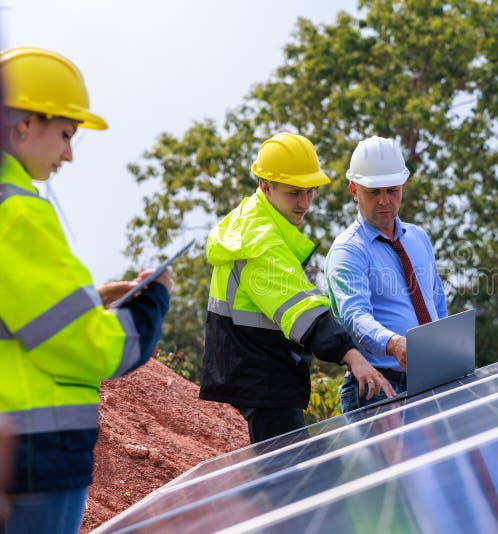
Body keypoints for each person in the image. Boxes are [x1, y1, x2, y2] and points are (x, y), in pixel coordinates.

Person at [0, 47, 172, 534]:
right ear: (23, 123)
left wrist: (90, 297)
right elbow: (86, 347)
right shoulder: (17, 214)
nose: (69, 154)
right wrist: (152, 302)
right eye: (66, 134)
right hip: (36, 457)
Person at [199, 132, 394, 444]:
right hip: (264, 381)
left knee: (285, 479)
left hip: (256, 372)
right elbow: (300, 307)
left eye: (310, 192)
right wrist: (352, 355)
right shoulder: (260, 241)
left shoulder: (251, 221)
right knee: (287, 483)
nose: (305, 203)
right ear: (265, 187)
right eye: (294, 193)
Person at [325, 136, 448, 412]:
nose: (384, 200)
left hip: (432, 380)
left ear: (403, 187)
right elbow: (355, 316)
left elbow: (436, 302)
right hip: (379, 386)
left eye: (392, 190)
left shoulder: (418, 238)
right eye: (373, 192)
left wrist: (446, 350)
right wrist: (392, 343)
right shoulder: (348, 250)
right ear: (354, 190)